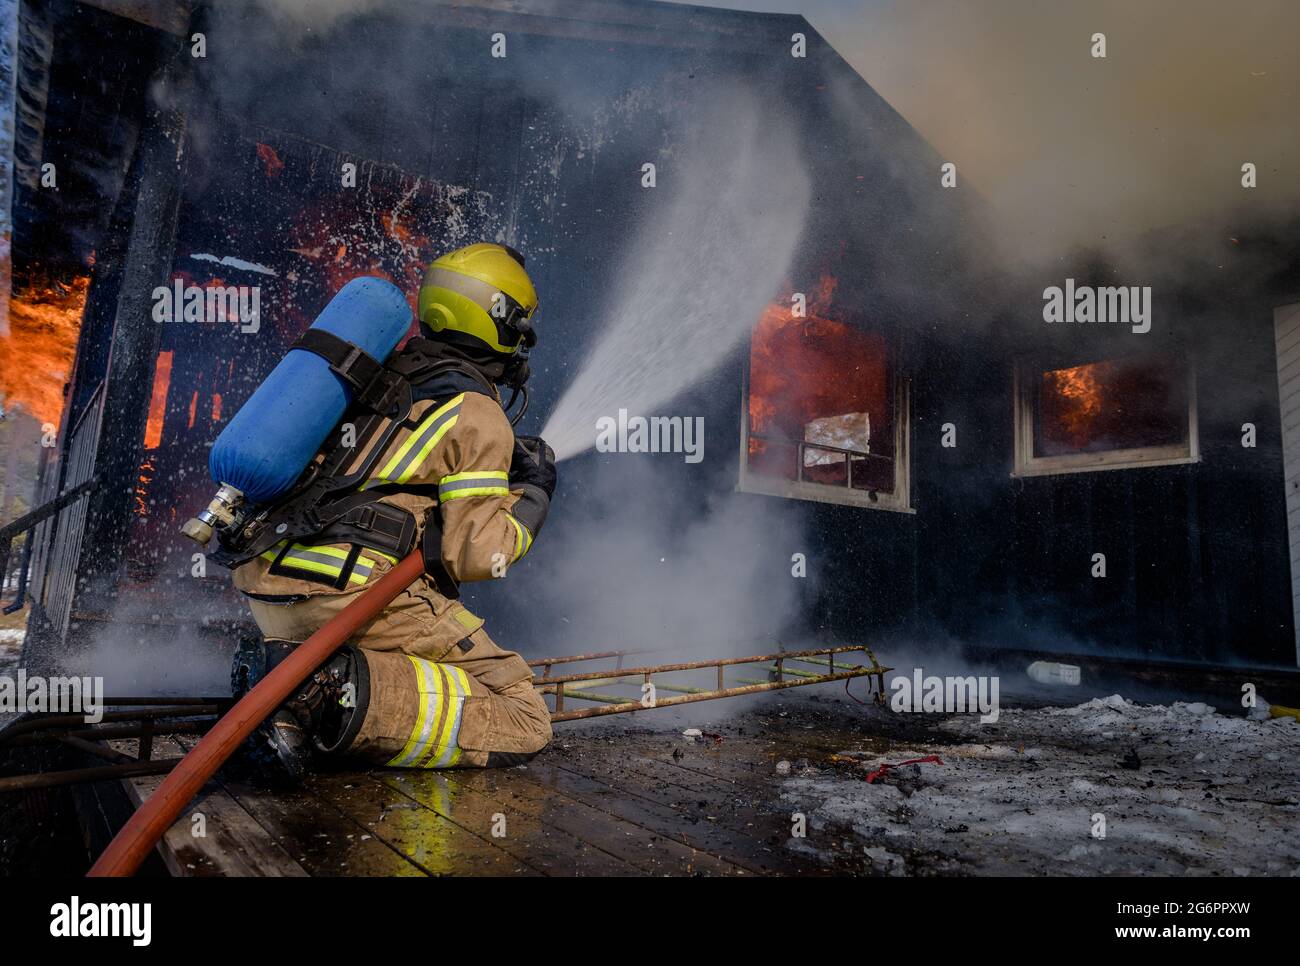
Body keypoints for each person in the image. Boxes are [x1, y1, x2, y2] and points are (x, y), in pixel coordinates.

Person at [228, 243, 556, 776]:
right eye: (521, 326)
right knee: (523, 716)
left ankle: (296, 673)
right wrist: (536, 492)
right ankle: (316, 691)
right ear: (500, 320)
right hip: (353, 597)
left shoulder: (374, 374)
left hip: (270, 583)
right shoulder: (477, 412)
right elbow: (476, 556)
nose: (524, 342)